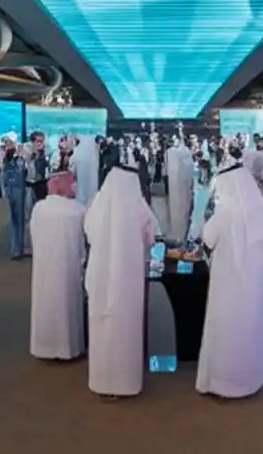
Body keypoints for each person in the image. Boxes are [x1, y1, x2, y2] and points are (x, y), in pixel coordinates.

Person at [197, 160, 263, 398]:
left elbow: (208, 238)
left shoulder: (226, 211)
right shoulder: (257, 209)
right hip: (252, 285)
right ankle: (248, 379)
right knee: (248, 326)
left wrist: (205, 215)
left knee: (226, 328)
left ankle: (224, 384)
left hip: (227, 283)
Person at [84, 156, 157, 397]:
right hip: (128, 277)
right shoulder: (138, 205)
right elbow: (151, 238)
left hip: (101, 274)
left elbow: (89, 232)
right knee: (125, 326)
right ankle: (126, 383)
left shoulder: (98, 202)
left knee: (102, 324)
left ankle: (102, 382)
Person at [28, 171, 87, 360]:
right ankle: (68, 348)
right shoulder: (78, 210)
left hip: (44, 266)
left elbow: (34, 234)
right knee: (67, 306)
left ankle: (43, 347)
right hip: (68, 267)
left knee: (45, 304)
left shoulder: (39, 208)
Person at [1, 140, 30, 259]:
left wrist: (5, 191)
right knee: (20, 219)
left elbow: (4, 178)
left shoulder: (7, 162)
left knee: (15, 220)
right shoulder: (19, 161)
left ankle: (16, 248)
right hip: (19, 191)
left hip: (12, 191)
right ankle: (19, 248)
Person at [165, 137, 194, 240]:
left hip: (175, 187)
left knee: (176, 211)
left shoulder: (172, 154)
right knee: (183, 212)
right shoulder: (185, 155)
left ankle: (177, 234)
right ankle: (181, 235)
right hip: (183, 189)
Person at [73, 135, 100, 208]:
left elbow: (73, 169)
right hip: (92, 195)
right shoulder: (94, 152)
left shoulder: (78, 152)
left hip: (79, 194)